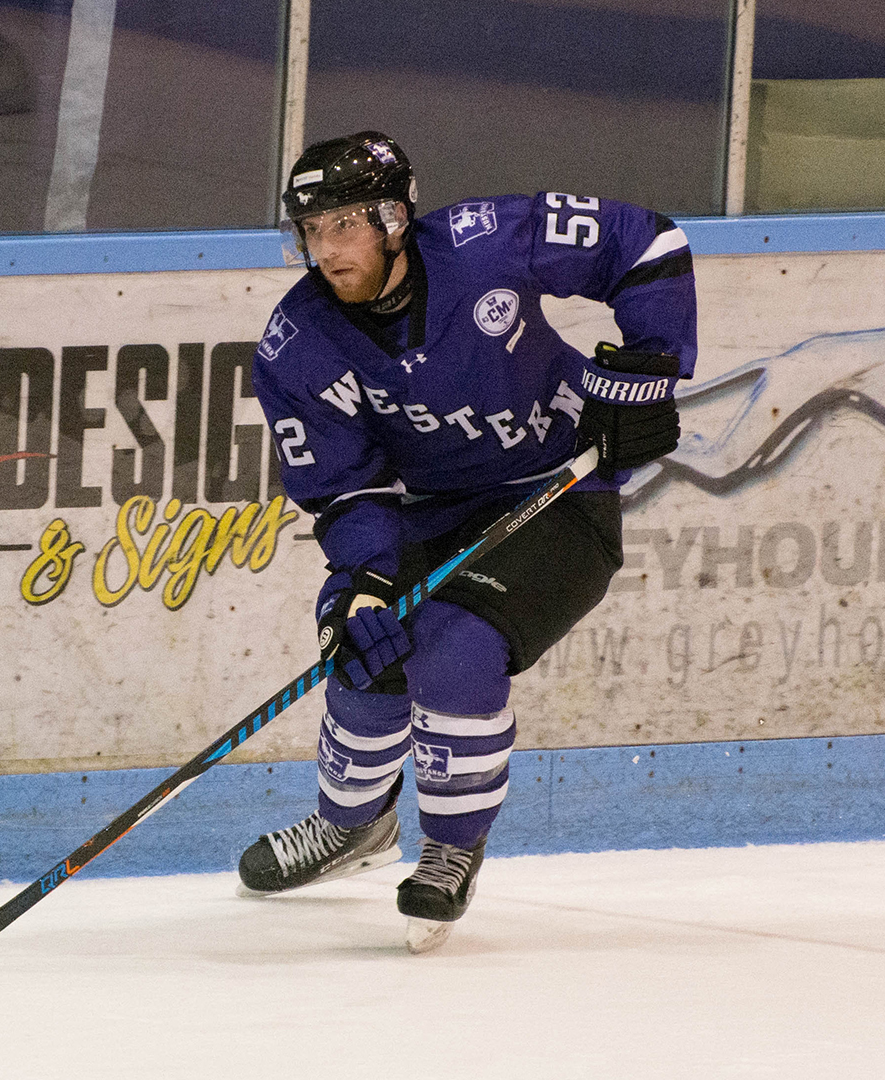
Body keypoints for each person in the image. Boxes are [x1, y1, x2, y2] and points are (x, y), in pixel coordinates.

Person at [238, 131, 696, 951]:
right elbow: (346, 489)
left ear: (393, 218)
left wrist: (648, 369)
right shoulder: (295, 343)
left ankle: (451, 848)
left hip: (559, 496)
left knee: (454, 647)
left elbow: (646, 241)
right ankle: (352, 827)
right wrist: (365, 582)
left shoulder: (488, 244)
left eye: (344, 226)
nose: (326, 250)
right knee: (363, 646)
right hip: (429, 512)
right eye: (311, 230)